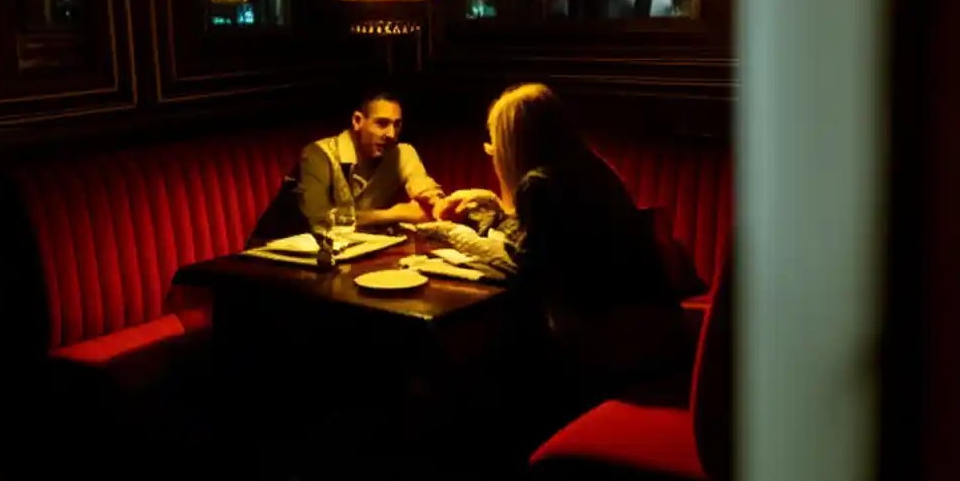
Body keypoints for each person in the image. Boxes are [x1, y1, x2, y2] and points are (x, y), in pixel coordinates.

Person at [433, 82, 690, 392]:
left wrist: (453, 235)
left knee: (484, 359)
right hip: (657, 330)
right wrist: (495, 207)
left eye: (496, 144)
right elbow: (546, 242)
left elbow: (523, 267)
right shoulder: (588, 167)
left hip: (614, 343)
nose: (494, 153)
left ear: (513, 143)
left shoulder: (539, 183)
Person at [249, 91, 444, 244]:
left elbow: (427, 194)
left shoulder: (402, 152)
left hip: (345, 253)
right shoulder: (318, 155)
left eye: (397, 125)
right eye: (382, 124)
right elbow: (321, 223)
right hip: (276, 255)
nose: (391, 134)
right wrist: (393, 214)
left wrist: (437, 204)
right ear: (357, 121)